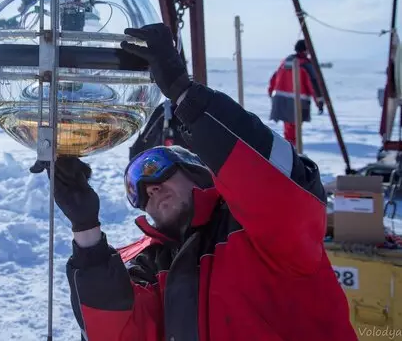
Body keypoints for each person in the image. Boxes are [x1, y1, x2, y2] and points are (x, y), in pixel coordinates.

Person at [36, 24, 357, 340]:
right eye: (137, 190)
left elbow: (279, 186)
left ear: (196, 170)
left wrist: (186, 94)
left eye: (156, 167)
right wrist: (86, 231)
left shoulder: (255, 230)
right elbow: (117, 333)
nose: (150, 188)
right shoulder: (152, 266)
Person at [268, 39, 324, 148]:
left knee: (289, 131)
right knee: (294, 132)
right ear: (305, 51)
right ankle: (294, 155)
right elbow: (314, 85)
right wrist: (319, 102)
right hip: (297, 103)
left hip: (281, 101)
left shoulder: (286, 61)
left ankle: (290, 152)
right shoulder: (305, 65)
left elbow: (274, 78)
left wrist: (271, 93)